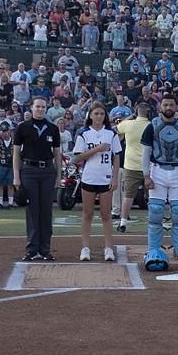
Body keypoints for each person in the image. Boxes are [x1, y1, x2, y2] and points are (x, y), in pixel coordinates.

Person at [142, 95, 178, 270]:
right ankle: (153, 249)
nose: (168, 107)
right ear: (160, 106)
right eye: (165, 104)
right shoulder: (152, 126)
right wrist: (146, 176)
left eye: (171, 104)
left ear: (176, 107)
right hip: (157, 171)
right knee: (155, 211)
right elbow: (146, 152)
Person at [13, 97, 62, 261]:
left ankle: (45, 250)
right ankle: (32, 250)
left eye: (43, 107)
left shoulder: (53, 128)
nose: (40, 109)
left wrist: (59, 175)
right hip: (29, 170)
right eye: (38, 106)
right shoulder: (22, 127)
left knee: (46, 211)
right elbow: (16, 153)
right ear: (31, 108)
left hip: (48, 171)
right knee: (32, 210)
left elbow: (57, 153)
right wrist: (16, 176)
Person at [73, 102, 121, 263]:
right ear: (90, 116)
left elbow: (116, 156)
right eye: (96, 114)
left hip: (105, 178)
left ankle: (108, 248)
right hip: (89, 177)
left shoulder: (111, 133)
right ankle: (85, 248)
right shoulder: (84, 133)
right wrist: (97, 149)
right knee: (87, 214)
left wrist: (115, 177)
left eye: (101, 114)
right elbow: (78, 157)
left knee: (106, 215)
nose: (99, 116)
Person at [115, 102, 150, 233]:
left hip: (131, 164)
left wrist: (130, 117)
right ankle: (157, 221)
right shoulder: (151, 125)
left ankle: (123, 222)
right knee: (154, 196)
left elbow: (116, 128)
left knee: (128, 195)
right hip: (149, 165)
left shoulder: (129, 124)